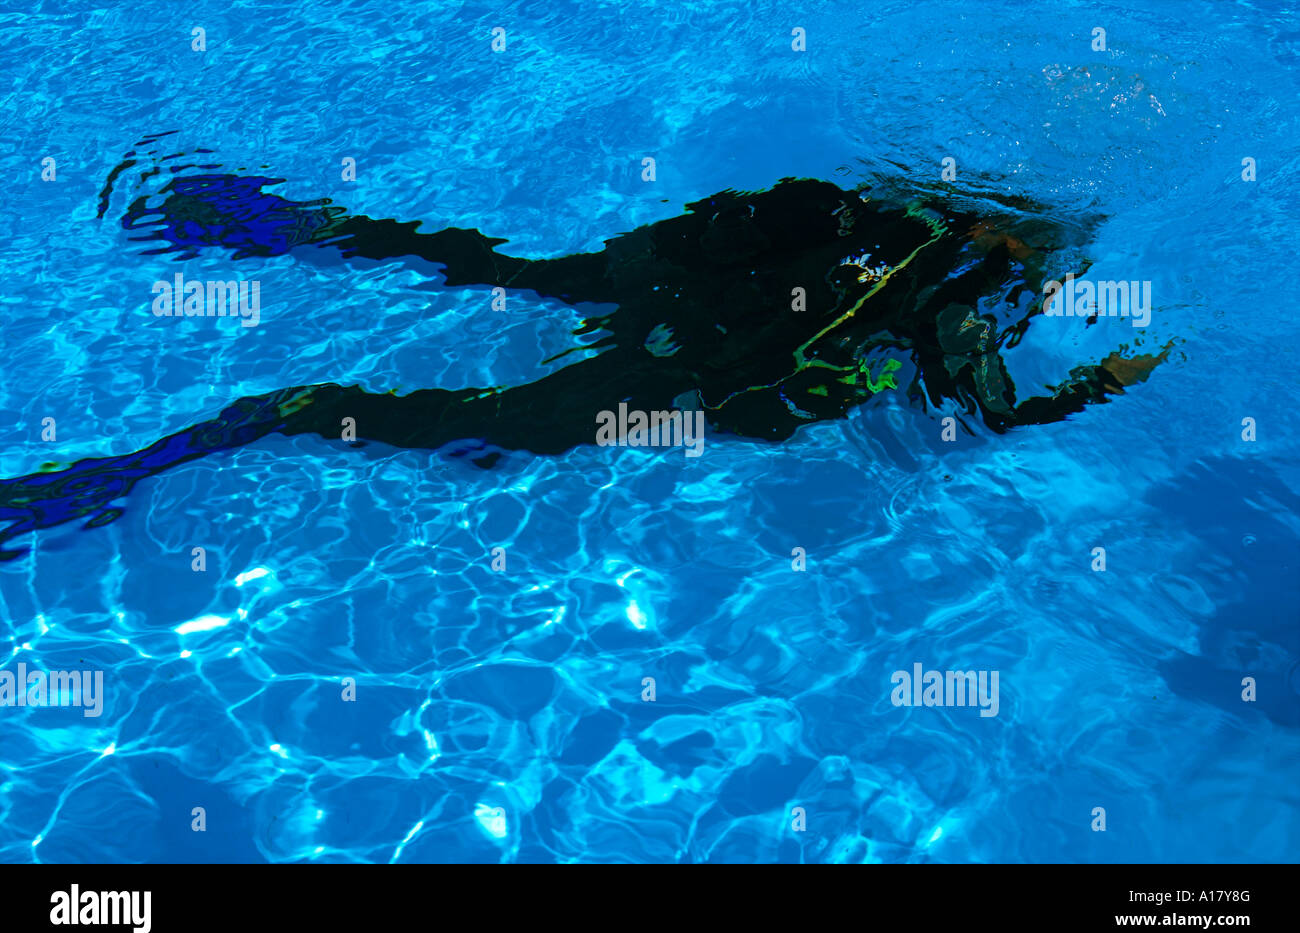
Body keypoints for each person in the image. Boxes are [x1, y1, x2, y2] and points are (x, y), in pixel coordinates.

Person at [0, 165, 1170, 558]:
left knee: (489, 266)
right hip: (666, 384)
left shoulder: (868, 209)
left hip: (647, 290)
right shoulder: (953, 306)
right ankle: (152, 459)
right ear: (1016, 248)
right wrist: (1096, 388)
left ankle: (281, 224)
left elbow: (726, 223)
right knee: (443, 420)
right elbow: (991, 418)